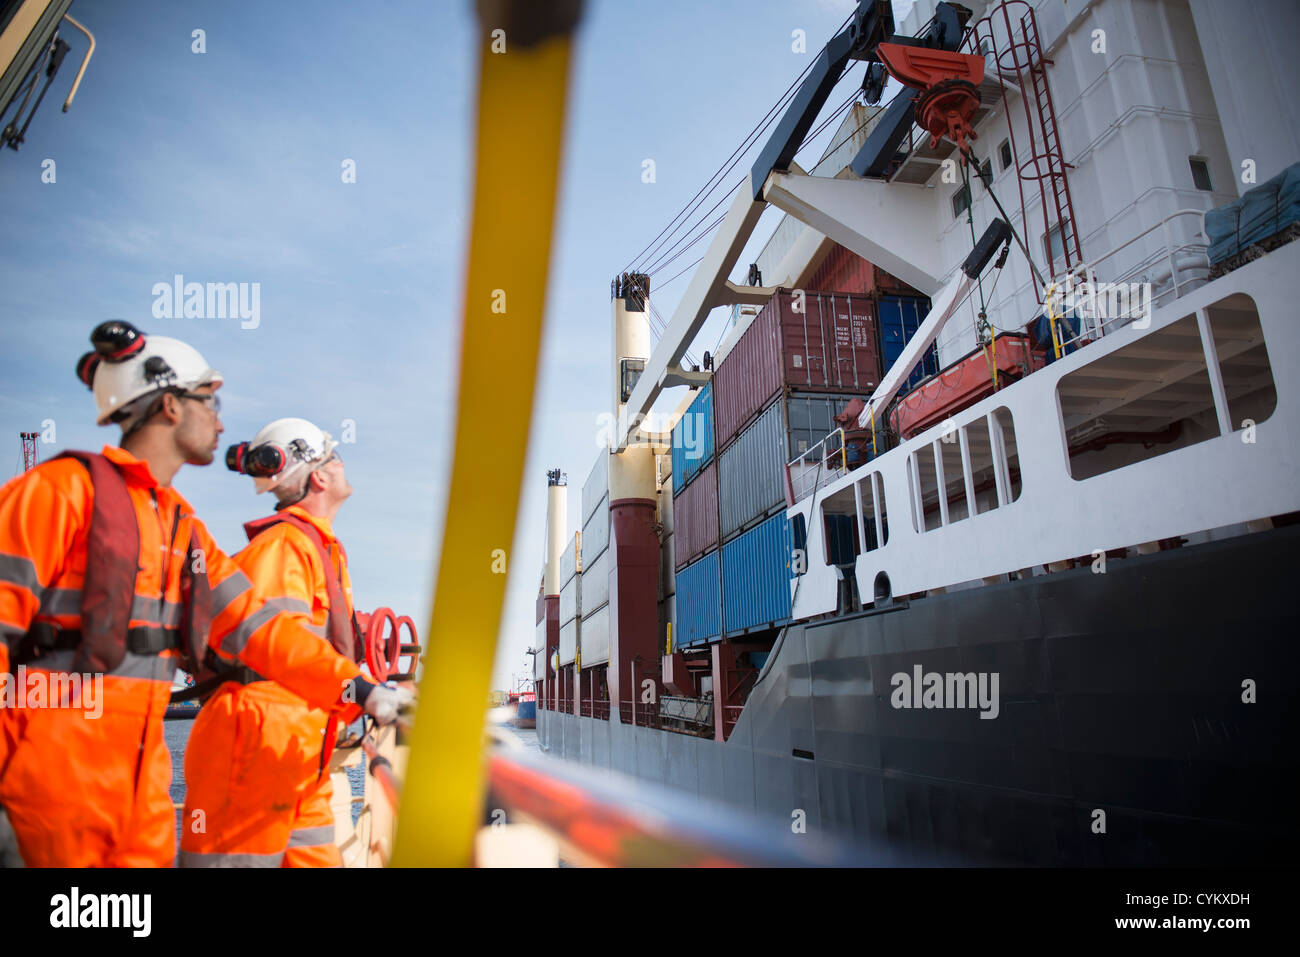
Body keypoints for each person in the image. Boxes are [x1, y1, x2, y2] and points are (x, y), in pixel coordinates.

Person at [0, 321, 410, 867]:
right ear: (169, 406)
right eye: (208, 401)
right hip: (50, 789)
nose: (220, 421)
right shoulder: (58, 494)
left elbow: (263, 630)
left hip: (141, 794)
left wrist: (358, 688)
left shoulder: (181, 528)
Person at [181, 418, 369, 867]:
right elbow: (271, 649)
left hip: (299, 754)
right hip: (257, 751)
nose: (344, 465)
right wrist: (363, 692)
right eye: (334, 456)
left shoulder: (317, 547)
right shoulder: (284, 547)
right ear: (320, 476)